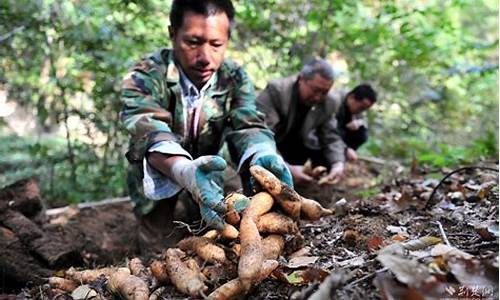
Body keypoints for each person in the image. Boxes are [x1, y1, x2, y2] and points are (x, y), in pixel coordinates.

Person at [120, 0, 292, 252]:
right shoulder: (146, 75)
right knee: (156, 241)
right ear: (172, 34)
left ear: (227, 40)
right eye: (192, 42)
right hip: (161, 167)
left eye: (216, 45)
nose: (204, 57)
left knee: (232, 218)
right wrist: (185, 173)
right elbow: (149, 131)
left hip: (211, 164)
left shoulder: (234, 76)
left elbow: (247, 123)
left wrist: (262, 152)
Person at [256, 59, 346, 185]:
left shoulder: (330, 102)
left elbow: (331, 136)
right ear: (301, 80)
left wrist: (338, 163)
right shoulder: (276, 91)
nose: (318, 97)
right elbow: (260, 134)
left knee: (324, 156)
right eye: (315, 90)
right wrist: (282, 166)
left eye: (324, 92)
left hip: (297, 143)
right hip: (271, 143)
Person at [332, 84, 377, 162]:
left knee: (362, 133)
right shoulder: (335, 101)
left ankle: (342, 158)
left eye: (365, 109)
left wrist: (359, 122)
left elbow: (363, 121)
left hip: (342, 131)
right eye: (361, 107)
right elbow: (328, 129)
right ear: (351, 97)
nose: (362, 110)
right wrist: (345, 148)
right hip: (330, 132)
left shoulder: (357, 107)